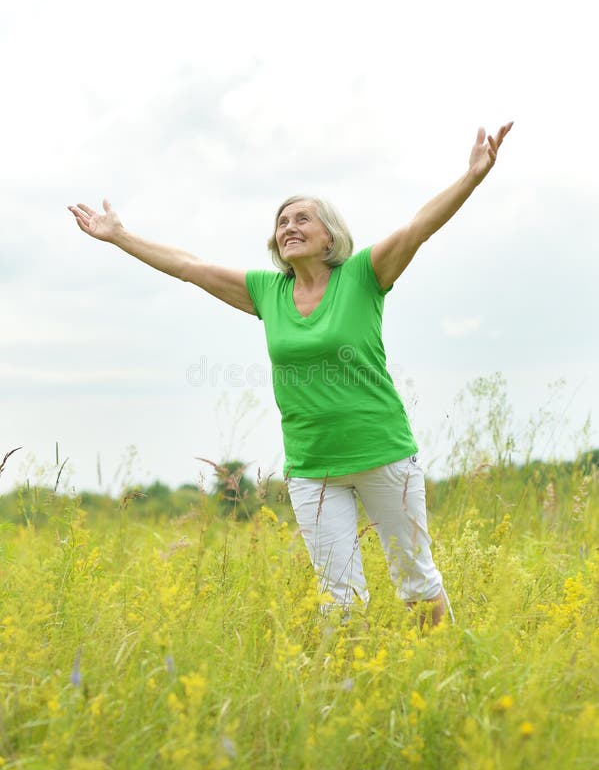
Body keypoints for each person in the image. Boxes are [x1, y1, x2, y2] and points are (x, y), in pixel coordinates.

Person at [69, 122, 513, 625]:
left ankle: (444, 676)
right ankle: (348, 695)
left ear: (330, 235)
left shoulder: (365, 274)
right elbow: (189, 266)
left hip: (383, 454)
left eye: (303, 218)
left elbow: (417, 227)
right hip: (312, 468)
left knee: (416, 582)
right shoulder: (267, 291)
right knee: (339, 600)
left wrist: (471, 178)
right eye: (282, 223)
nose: (289, 227)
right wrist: (120, 237)